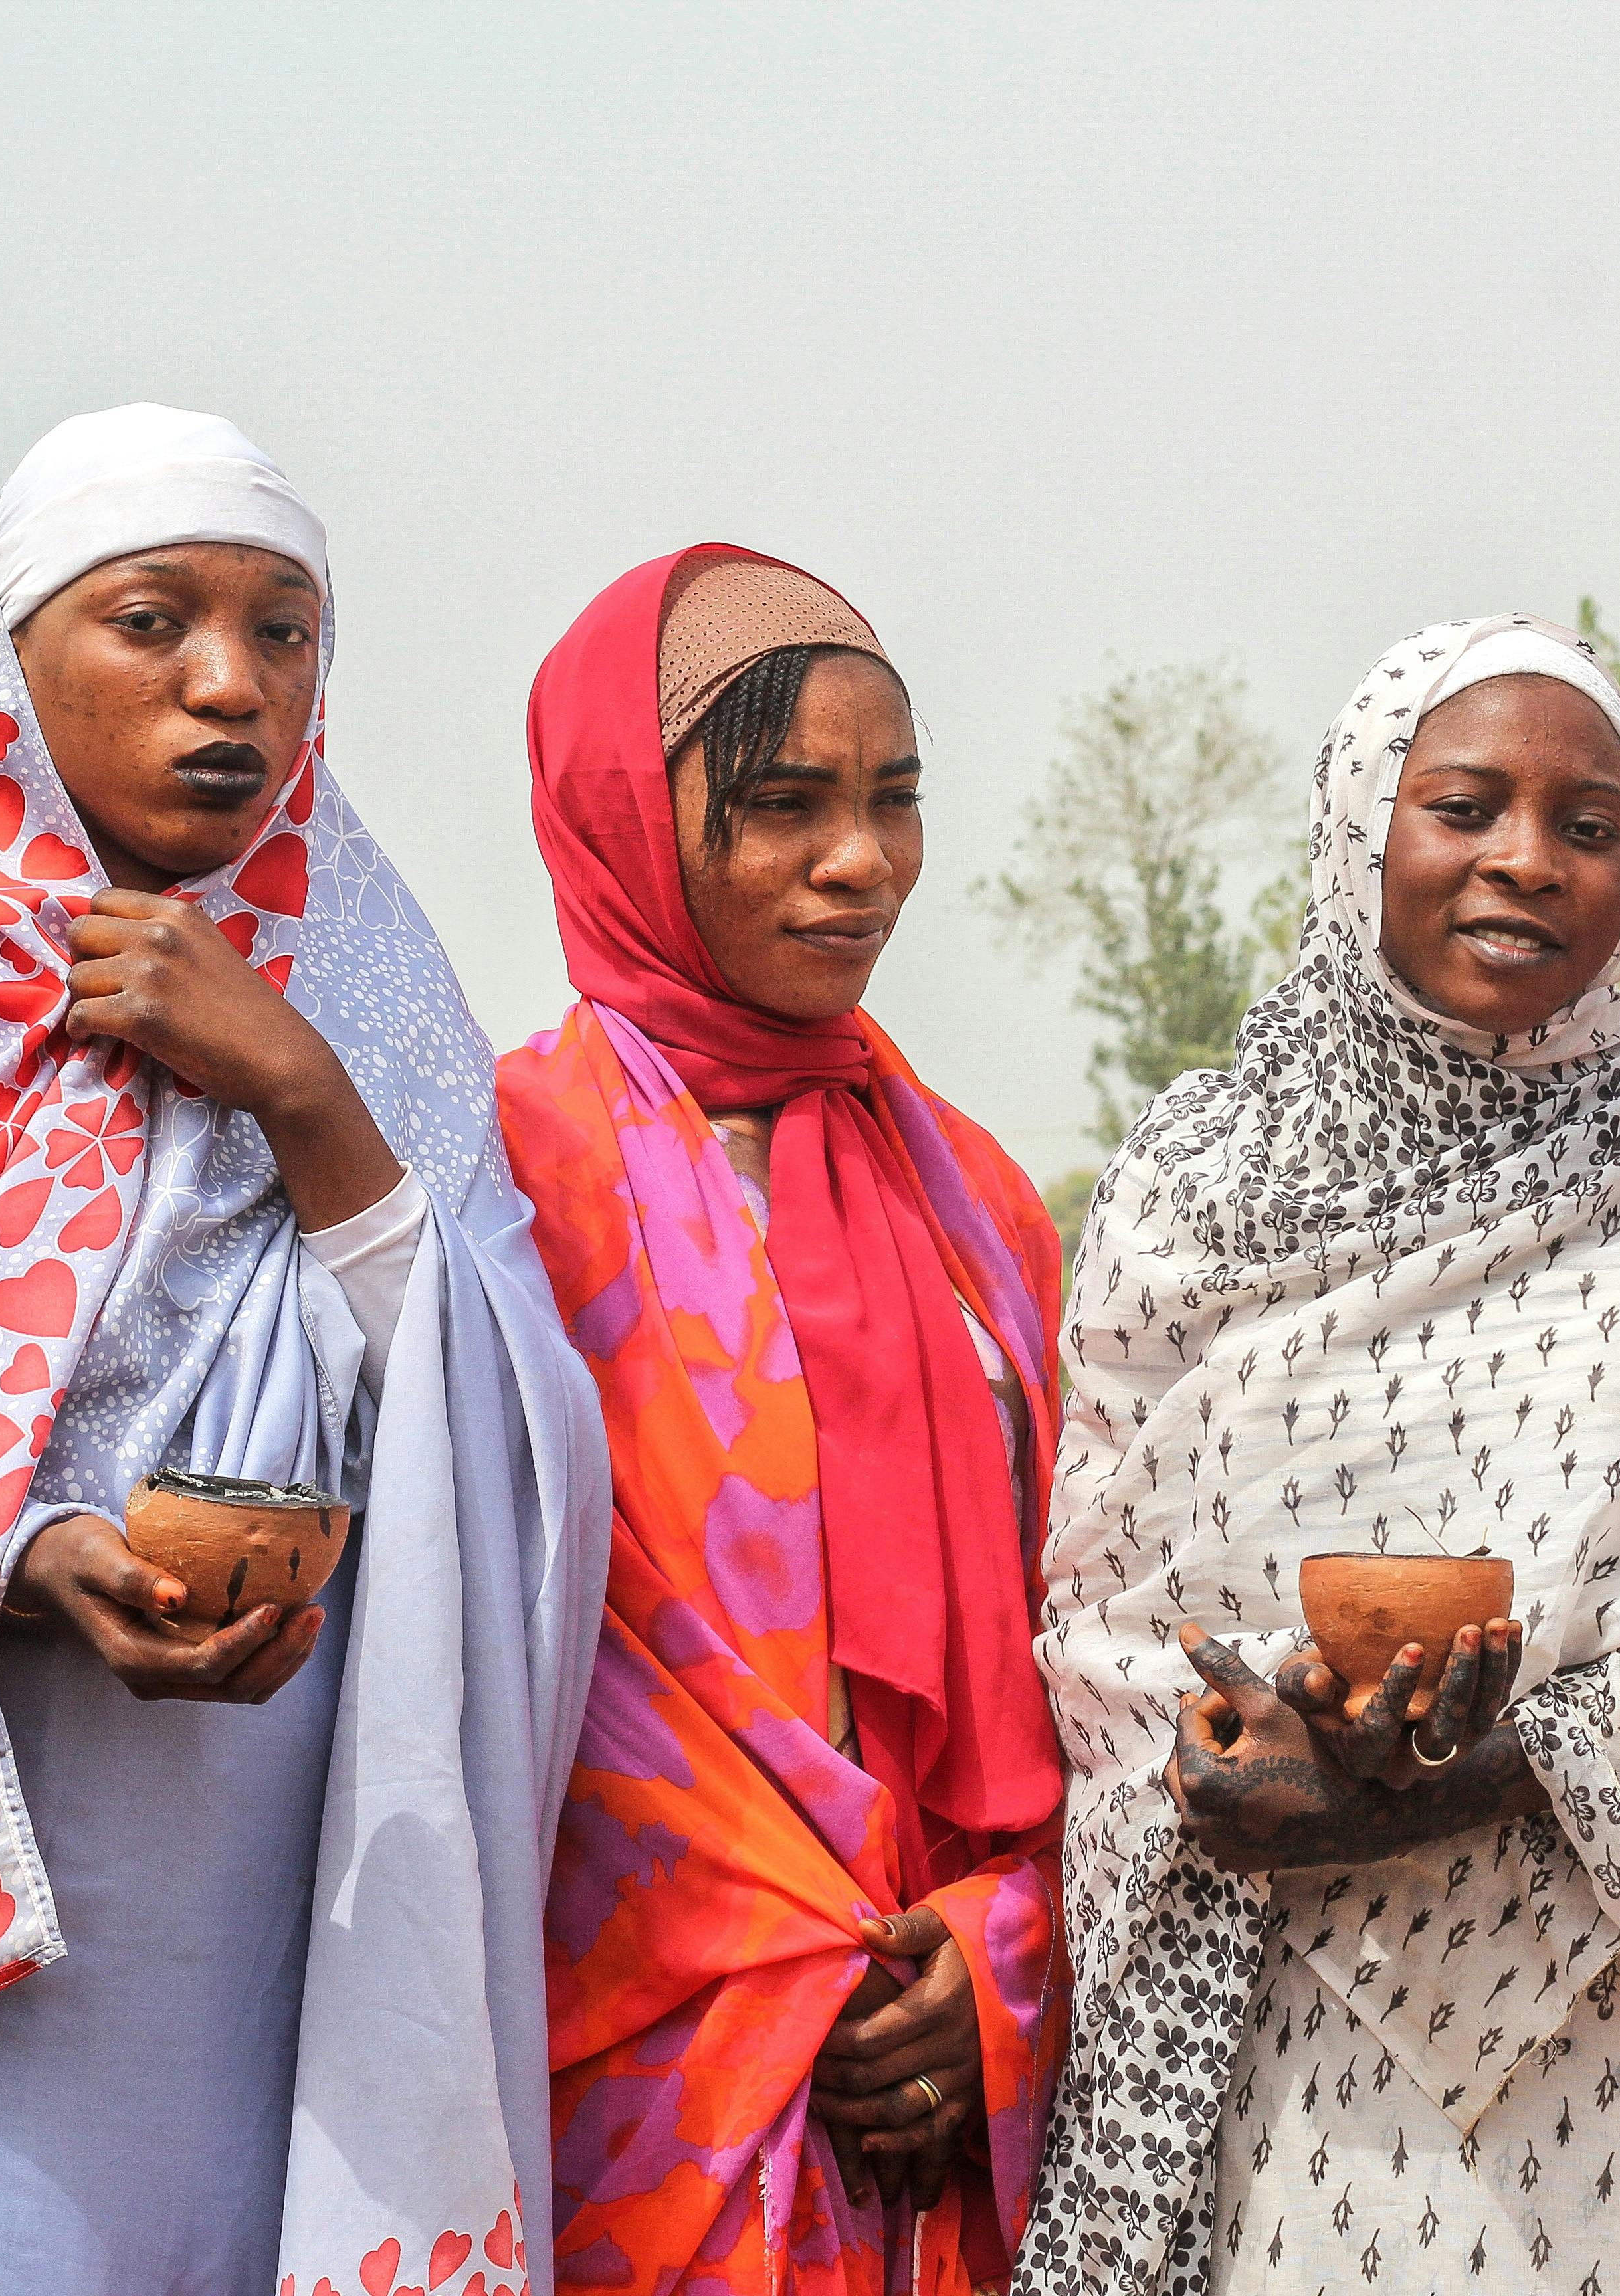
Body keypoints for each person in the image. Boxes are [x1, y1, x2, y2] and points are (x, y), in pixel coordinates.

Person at [0, 405, 609, 2296]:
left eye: (286, 633)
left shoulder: (378, 1024)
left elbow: (521, 1471)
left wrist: (302, 1097)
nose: (233, 686)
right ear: (5, 664)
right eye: (153, 622)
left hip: (287, 1960)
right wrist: (4, 1565)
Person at [1019, 617, 1620, 2296]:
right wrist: (1249, 1766)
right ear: (1365, 823)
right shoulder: (1194, 1177)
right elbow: (1104, 1604)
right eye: (1466, 807)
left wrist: (1489, 1773)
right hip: (1281, 2007)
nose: (1527, 860)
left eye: (1591, 828)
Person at [501, 547, 1068, 2294]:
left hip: (957, 2062)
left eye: (895, 801)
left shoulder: (979, 1197)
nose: (861, 862)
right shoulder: (509, 1172)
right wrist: (801, 1965)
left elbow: (1085, 1630)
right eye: (783, 804)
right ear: (623, 820)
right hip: (651, 2060)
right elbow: (517, 1660)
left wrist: (997, 1963)